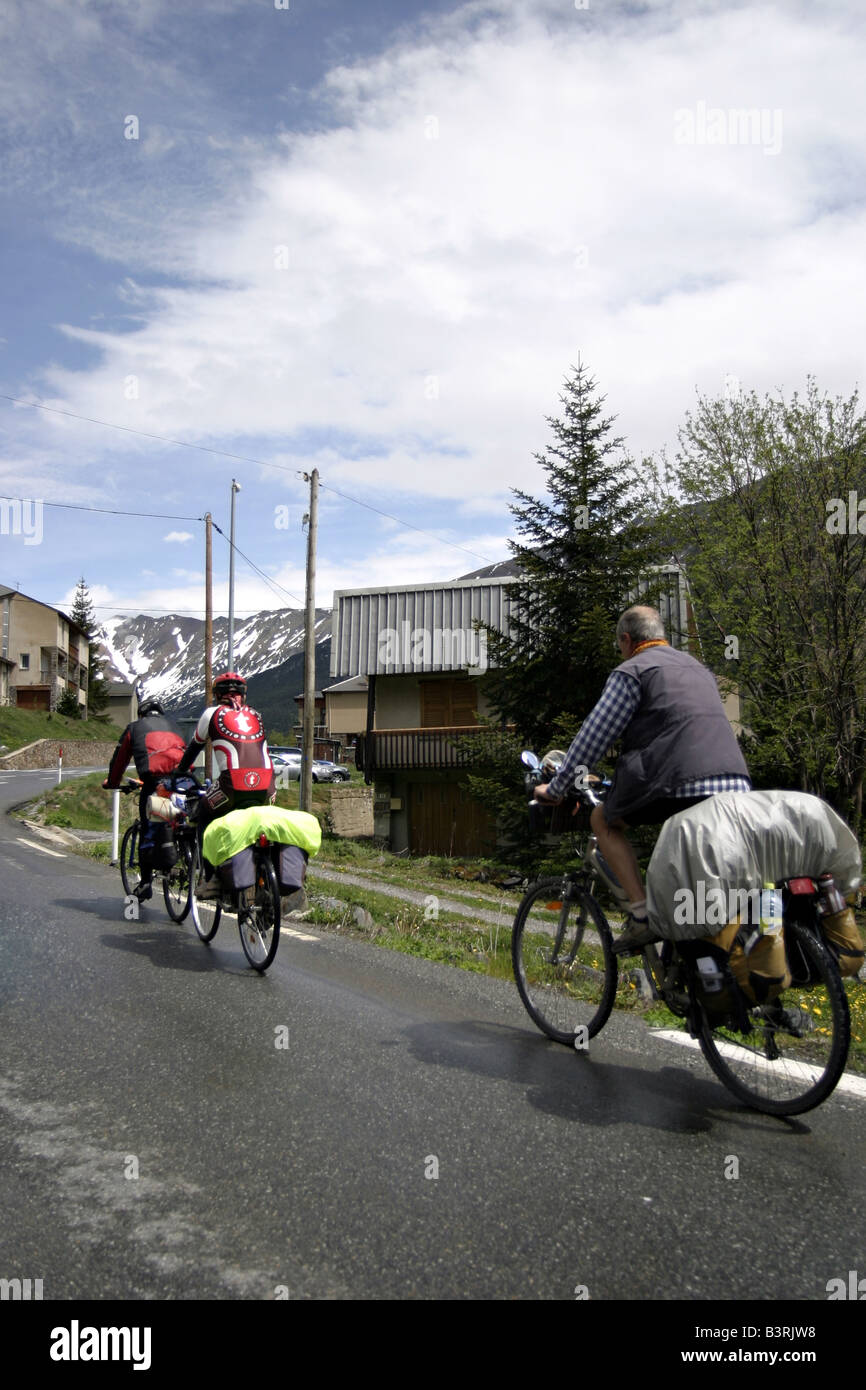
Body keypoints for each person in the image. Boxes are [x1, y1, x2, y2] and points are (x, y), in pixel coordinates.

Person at [535, 605, 751, 954]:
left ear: (626, 639)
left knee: (603, 819)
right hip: (737, 785)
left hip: (682, 784)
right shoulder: (699, 669)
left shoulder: (633, 670)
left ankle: (641, 915)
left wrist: (557, 788)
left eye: (619, 644)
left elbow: (593, 737)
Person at [174, 671, 274, 898]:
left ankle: (211, 879)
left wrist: (180, 771)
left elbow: (194, 748)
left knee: (203, 815)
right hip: (267, 785)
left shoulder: (211, 713)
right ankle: (267, 879)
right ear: (243, 695)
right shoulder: (256, 715)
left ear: (217, 695)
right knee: (257, 824)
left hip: (232, 786)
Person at [103, 696, 186, 901]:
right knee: (178, 821)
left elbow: (120, 759)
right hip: (182, 782)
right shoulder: (174, 726)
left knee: (148, 830)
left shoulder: (135, 728)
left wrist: (113, 782)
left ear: (142, 714)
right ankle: (187, 857)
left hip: (154, 783)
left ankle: (146, 883)